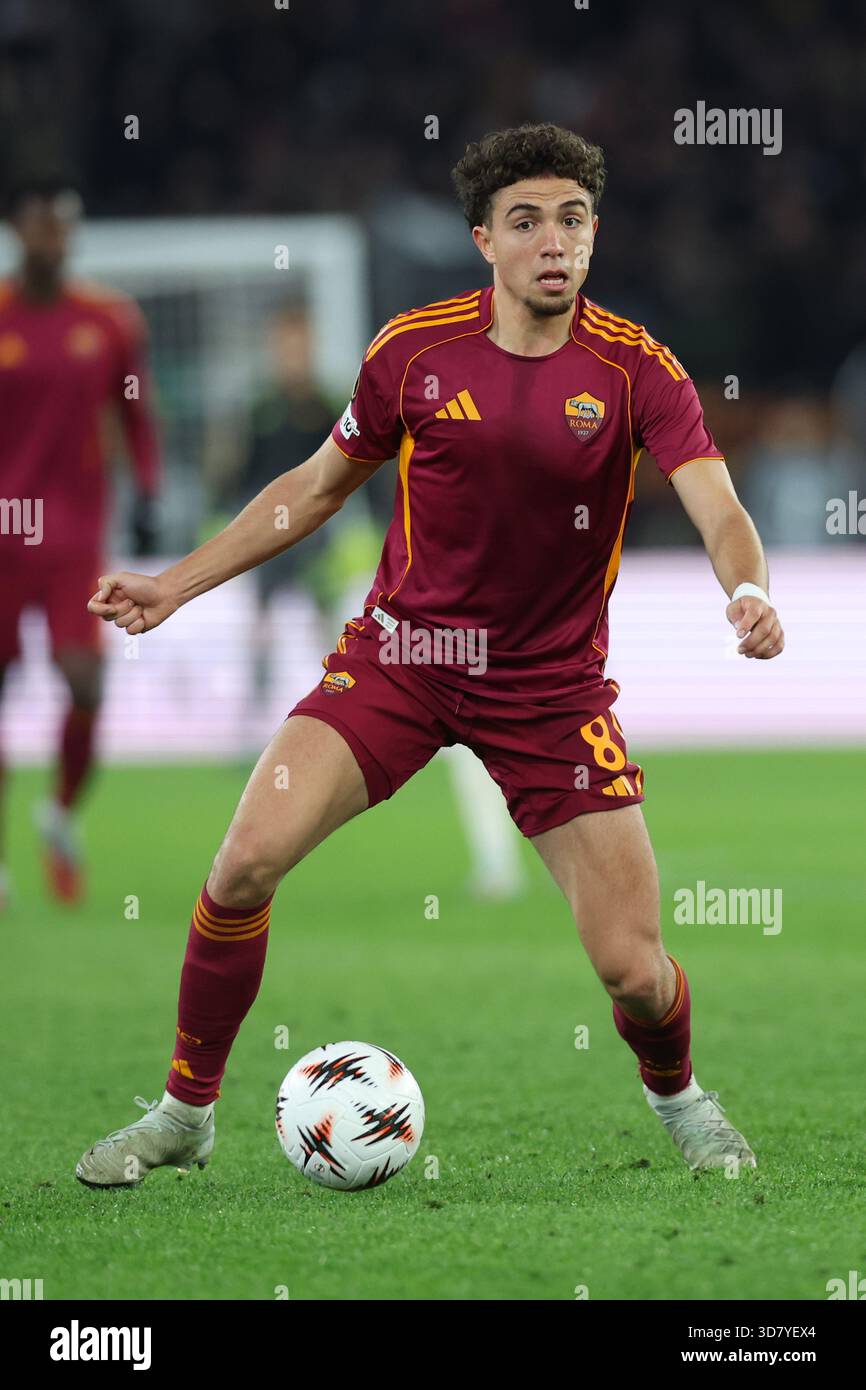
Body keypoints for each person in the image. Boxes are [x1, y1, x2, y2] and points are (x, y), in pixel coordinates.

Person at [75, 124, 784, 1186]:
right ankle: (183, 1109)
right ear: (482, 240)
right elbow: (313, 489)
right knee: (241, 863)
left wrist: (745, 589)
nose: (554, 241)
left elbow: (719, 505)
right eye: (527, 221)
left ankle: (678, 1096)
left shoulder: (636, 370)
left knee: (632, 972)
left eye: (573, 219)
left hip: (551, 691)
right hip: (399, 661)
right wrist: (174, 583)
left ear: (594, 235)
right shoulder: (412, 351)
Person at [0, 180, 160, 908]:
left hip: (70, 537)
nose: (51, 241)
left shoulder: (109, 320)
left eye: (62, 227)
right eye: (39, 227)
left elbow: (137, 414)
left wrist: (151, 489)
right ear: (15, 231)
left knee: (86, 681)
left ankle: (59, 813)